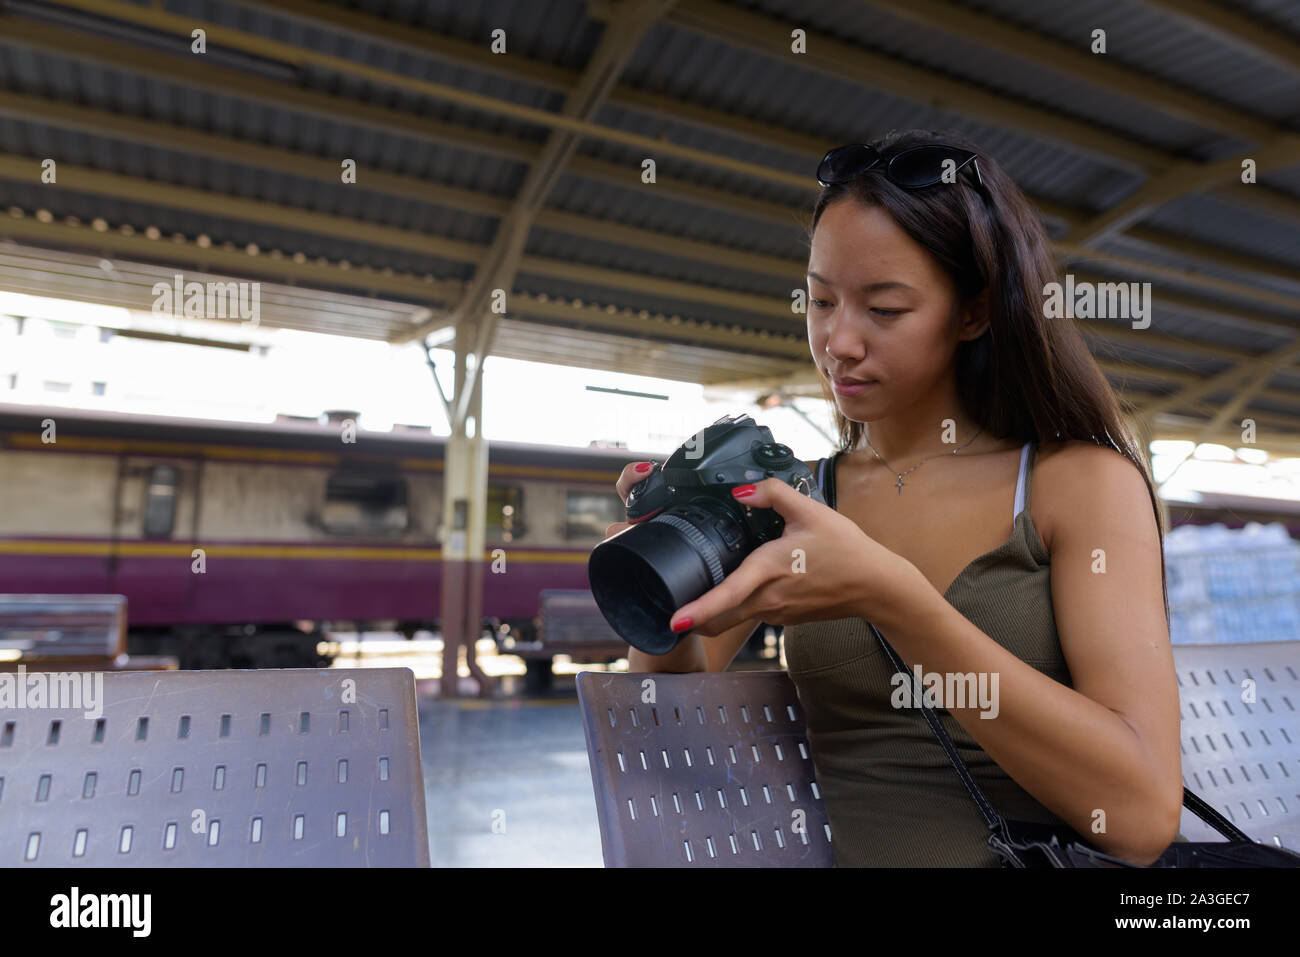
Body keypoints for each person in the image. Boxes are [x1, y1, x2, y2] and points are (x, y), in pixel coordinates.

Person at [605, 128, 1183, 867]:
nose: (838, 341)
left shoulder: (1077, 483)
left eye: (884, 309)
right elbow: (664, 716)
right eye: (819, 301)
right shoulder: (799, 497)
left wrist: (895, 598)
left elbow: (1139, 815)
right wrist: (667, 565)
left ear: (973, 312)